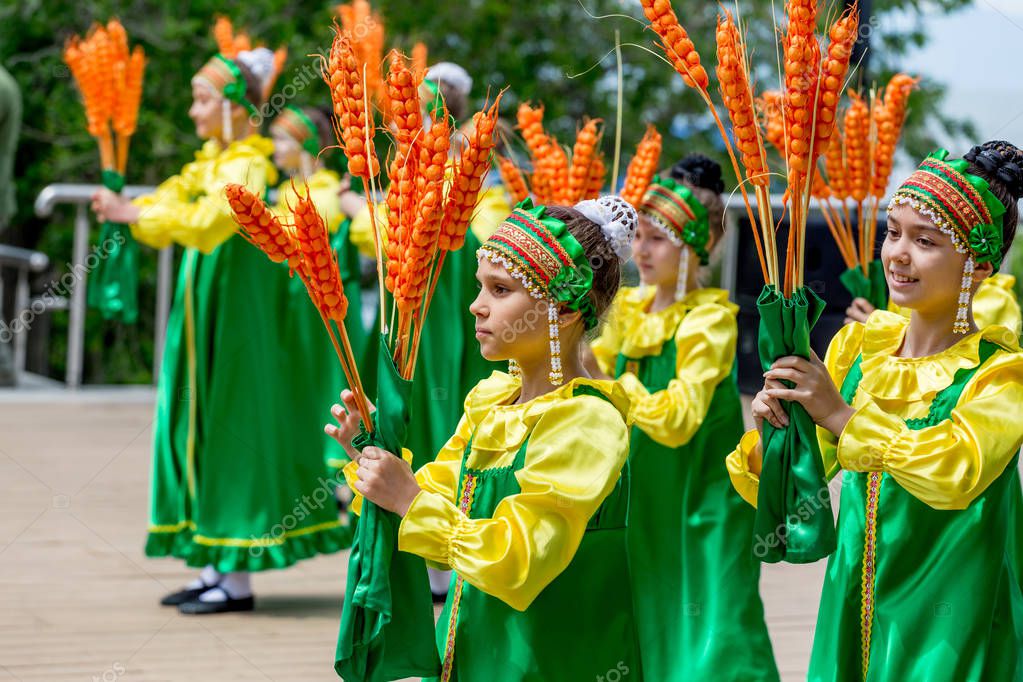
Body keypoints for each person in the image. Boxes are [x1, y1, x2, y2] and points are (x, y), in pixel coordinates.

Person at [728, 141, 1023, 680]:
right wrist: (777, 431)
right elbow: (804, 484)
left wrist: (839, 416)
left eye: (925, 240)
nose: (897, 254)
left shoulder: (1000, 374)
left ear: (978, 264)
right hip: (852, 602)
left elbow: (955, 471)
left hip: (948, 618)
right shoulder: (857, 349)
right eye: (893, 232)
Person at [327, 197, 644, 680]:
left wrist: (409, 500)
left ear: (562, 310)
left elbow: (518, 559)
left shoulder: (585, 422)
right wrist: (374, 463)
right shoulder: (492, 400)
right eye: (481, 287)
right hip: (474, 653)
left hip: (551, 664)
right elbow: (438, 516)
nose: (476, 306)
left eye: (500, 289)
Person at [92, 49, 349, 614]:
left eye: (203, 100)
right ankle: (214, 565)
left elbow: (211, 221)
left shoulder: (247, 167)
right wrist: (129, 207)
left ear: (237, 109)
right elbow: (173, 200)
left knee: (231, 423)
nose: (193, 111)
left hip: (235, 318)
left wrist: (135, 216)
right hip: (206, 313)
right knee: (200, 423)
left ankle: (234, 578)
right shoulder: (213, 161)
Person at [591, 156, 778, 681]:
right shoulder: (629, 309)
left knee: (717, 612)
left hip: (703, 497)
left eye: (657, 238)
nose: (641, 251)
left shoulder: (709, 320)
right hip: (645, 491)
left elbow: (678, 417)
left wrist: (611, 383)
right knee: (647, 601)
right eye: (640, 237)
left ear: (694, 246)